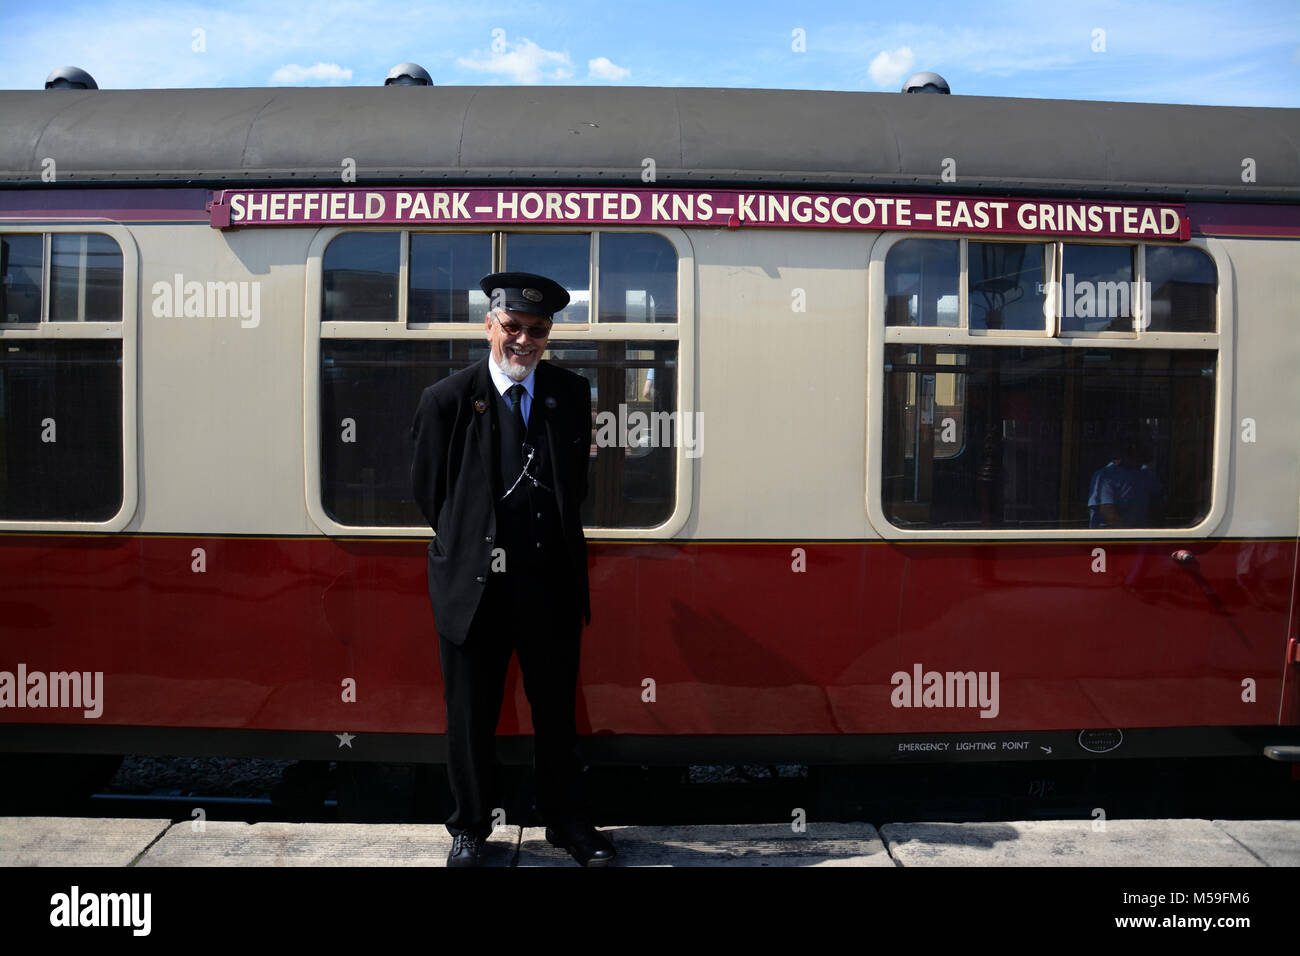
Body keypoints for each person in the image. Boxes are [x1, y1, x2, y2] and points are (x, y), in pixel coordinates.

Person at [409, 271, 615, 868]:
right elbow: (429, 495)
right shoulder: (447, 399)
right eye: (513, 327)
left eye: (538, 330)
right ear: (489, 326)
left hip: (547, 584)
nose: (525, 340)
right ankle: (469, 829)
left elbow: (572, 487)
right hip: (473, 588)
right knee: (469, 716)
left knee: (556, 713)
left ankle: (568, 824)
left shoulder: (570, 394)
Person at [1087, 441, 1161, 528]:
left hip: (1143, 536)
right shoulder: (1106, 476)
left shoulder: (1146, 474)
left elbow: (1157, 508)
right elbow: (1109, 514)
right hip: (1111, 537)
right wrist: (1132, 537)